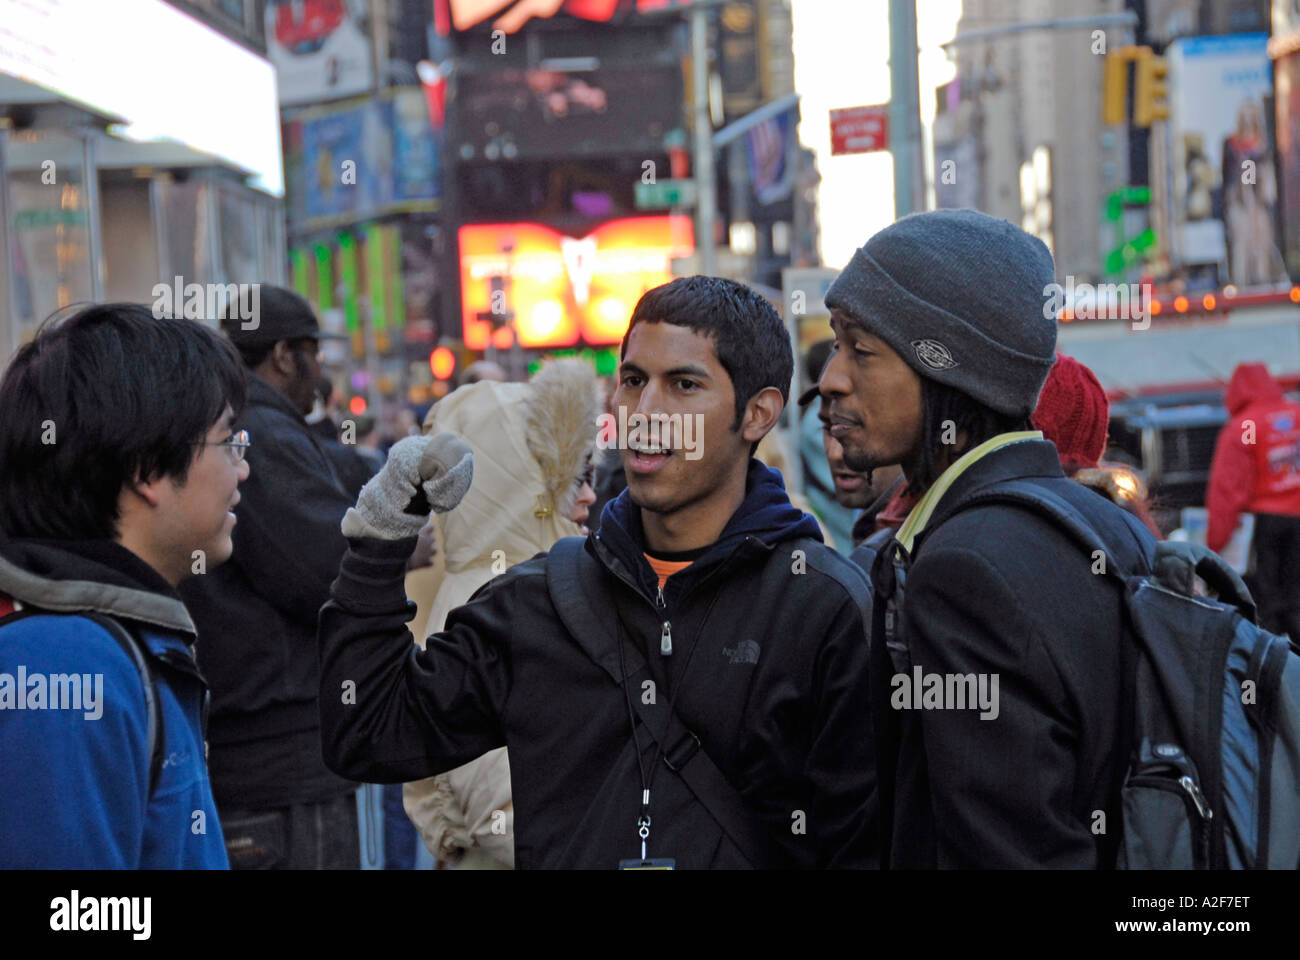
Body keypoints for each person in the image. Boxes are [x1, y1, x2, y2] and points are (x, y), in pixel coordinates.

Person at [319, 275, 877, 869]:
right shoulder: (538, 600)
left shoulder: (822, 607)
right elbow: (368, 732)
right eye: (633, 382)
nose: (645, 411)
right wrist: (379, 540)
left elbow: (861, 845)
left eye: (684, 385)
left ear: (758, 414)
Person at [821, 209, 1158, 868]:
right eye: (837, 345)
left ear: (950, 369)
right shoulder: (1100, 523)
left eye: (860, 349)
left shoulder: (963, 569)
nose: (832, 378)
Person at [0, 303, 247, 868]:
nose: (243, 469)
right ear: (145, 471)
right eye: (229, 441)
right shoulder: (63, 661)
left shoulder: (102, 639)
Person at [178, 285, 362, 869]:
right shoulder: (264, 431)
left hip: (255, 751)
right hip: (278, 763)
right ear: (285, 354)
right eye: (315, 353)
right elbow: (324, 568)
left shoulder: (252, 424)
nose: (319, 370)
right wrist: (392, 553)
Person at [402, 358, 601, 869]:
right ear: (526, 488)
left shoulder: (496, 586)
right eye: (573, 478)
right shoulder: (497, 605)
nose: (588, 497)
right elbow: (506, 816)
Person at [1206, 362, 1300, 639]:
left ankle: (1273, 669)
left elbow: (1231, 490)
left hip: (1267, 526)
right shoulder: (1296, 413)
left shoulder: (1245, 426)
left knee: (1268, 602)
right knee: (1295, 597)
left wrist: (1215, 545)